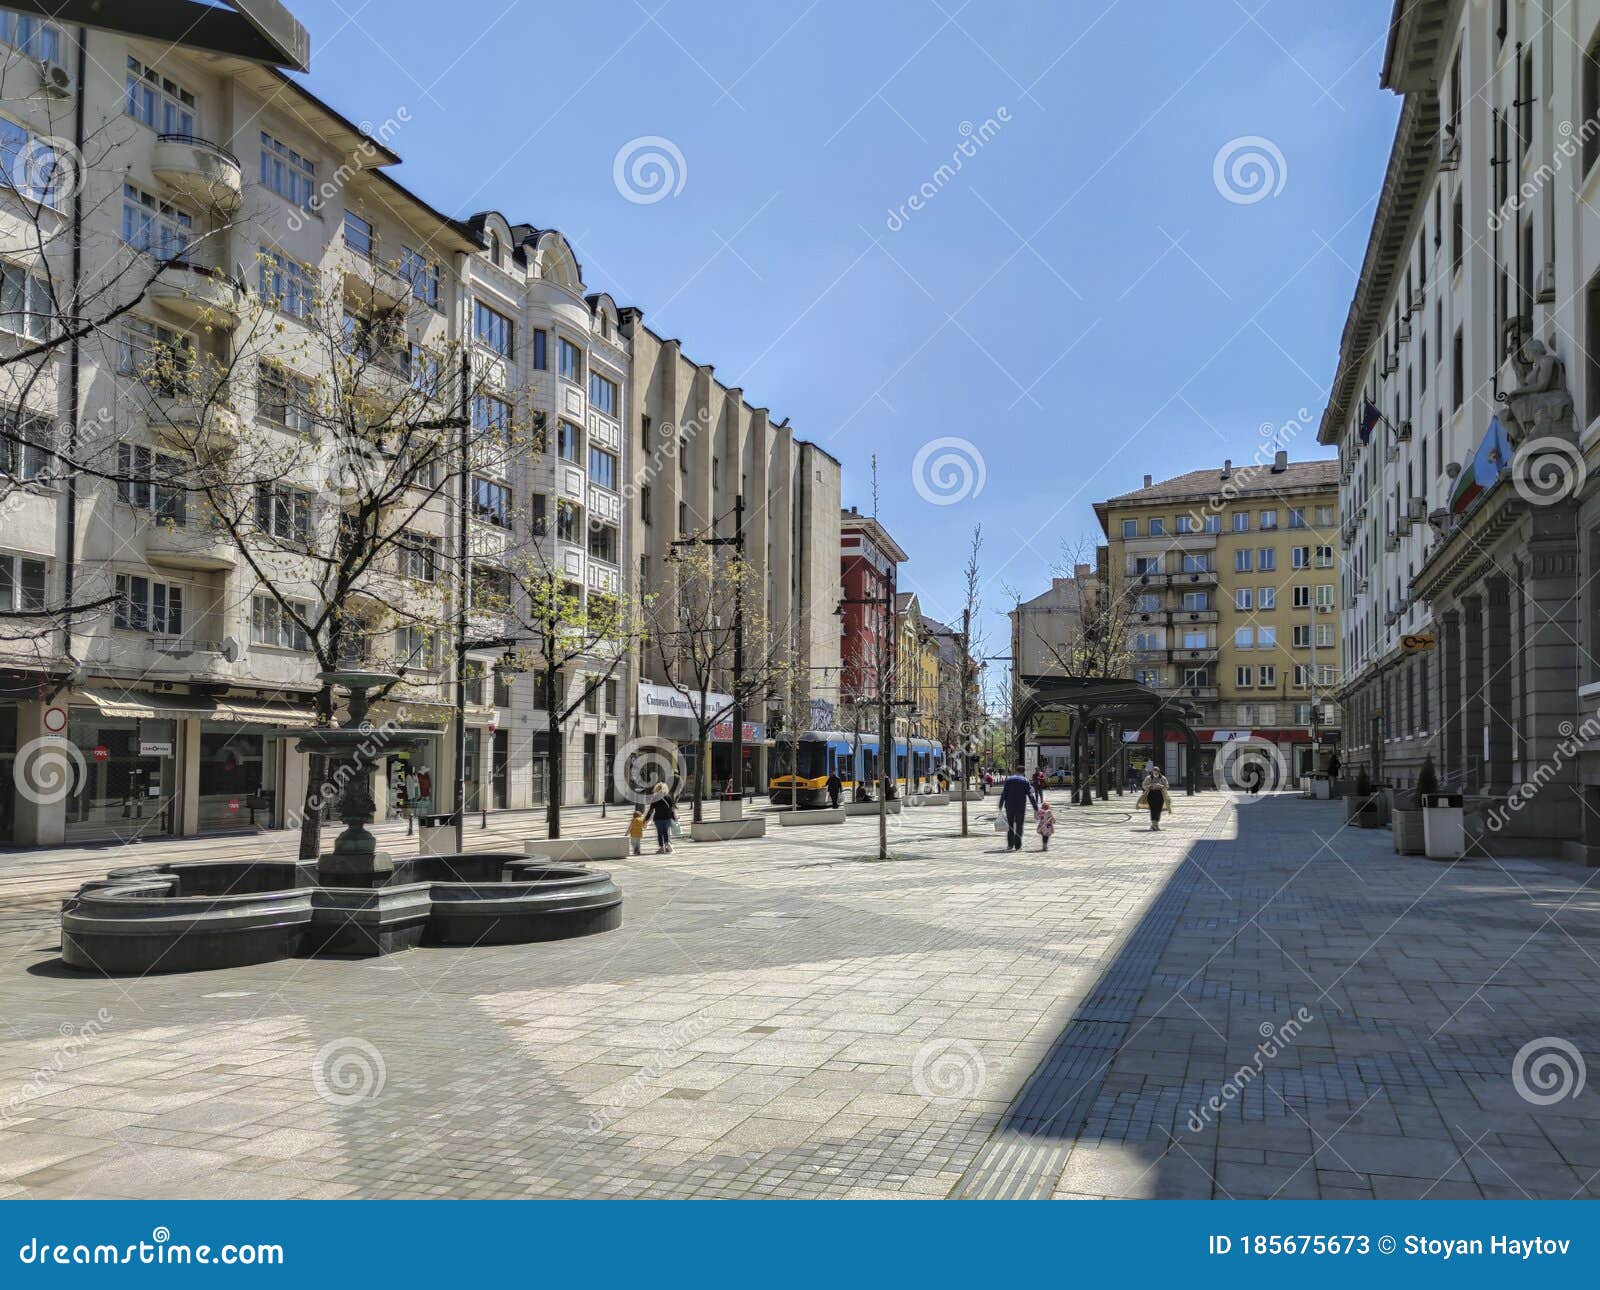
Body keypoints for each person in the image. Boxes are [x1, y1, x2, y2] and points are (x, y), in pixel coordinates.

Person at [998, 768, 1039, 852]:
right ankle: (1018, 846)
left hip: (1009, 806)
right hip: (1020, 807)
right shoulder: (1025, 780)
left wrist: (1000, 805)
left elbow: (1004, 793)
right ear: (1023, 772)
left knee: (1010, 825)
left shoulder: (1009, 780)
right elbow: (1030, 795)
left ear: (1015, 771)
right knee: (1019, 825)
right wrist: (1035, 808)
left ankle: (1010, 845)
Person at [645, 782, 677, 854]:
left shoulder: (655, 798)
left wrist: (646, 820)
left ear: (656, 789)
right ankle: (667, 845)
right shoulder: (668, 797)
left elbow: (651, 810)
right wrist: (674, 818)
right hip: (667, 818)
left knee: (660, 833)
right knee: (666, 832)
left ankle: (661, 848)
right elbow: (672, 809)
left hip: (658, 819)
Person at [1142, 766, 1170, 831]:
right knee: (1152, 809)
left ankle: (1155, 824)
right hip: (1151, 794)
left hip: (1160, 795)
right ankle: (1154, 824)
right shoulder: (1148, 778)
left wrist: (1161, 786)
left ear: (1158, 772)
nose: (1155, 773)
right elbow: (1144, 785)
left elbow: (1167, 786)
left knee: (1158, 810)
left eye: (1156, 771)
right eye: (1154, 771)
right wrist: (1149, 786)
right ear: (1152, 772)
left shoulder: (1163, 778)